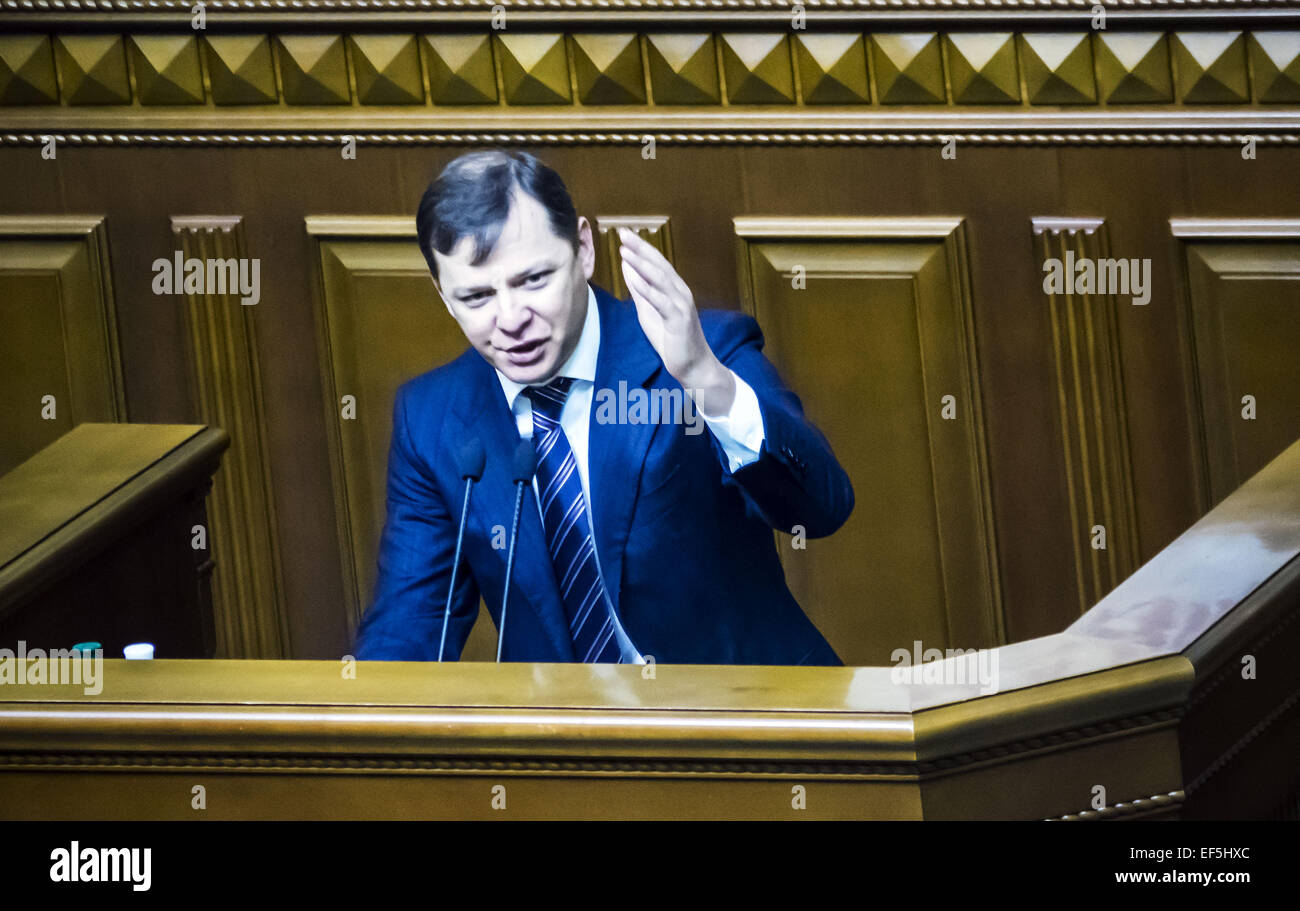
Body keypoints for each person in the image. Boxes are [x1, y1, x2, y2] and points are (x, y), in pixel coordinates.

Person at [353, 150, 853, 665]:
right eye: (476, 297)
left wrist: (706, 378)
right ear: (443, 295)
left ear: (584, 250)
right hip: (570, 738)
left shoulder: (703, 350)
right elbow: (410, 623)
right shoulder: (431, 418)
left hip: (750, 719)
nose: (510, 318)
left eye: (533, 280)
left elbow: (821, 508)